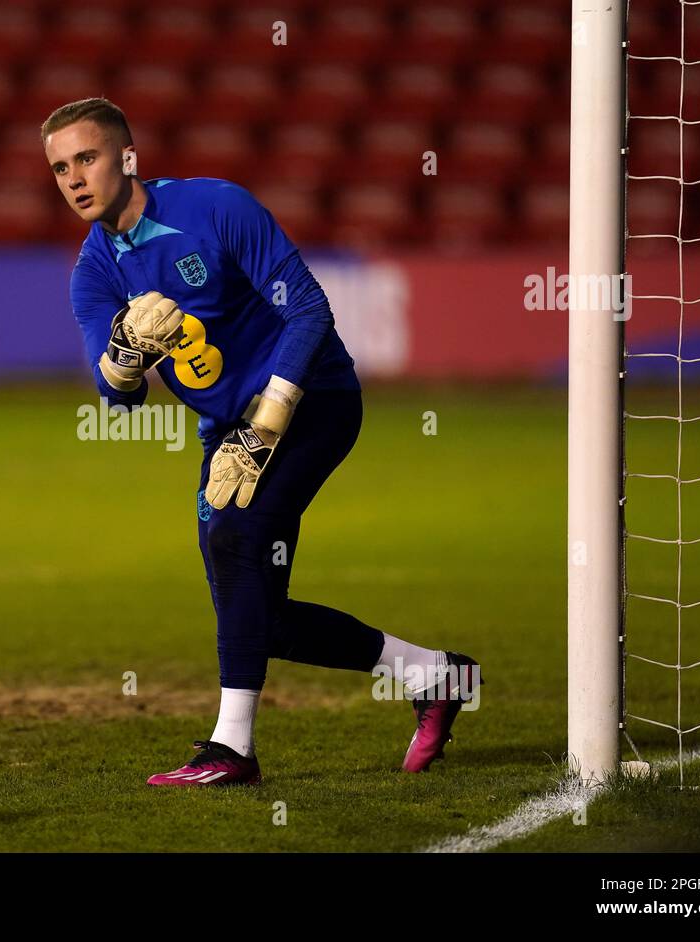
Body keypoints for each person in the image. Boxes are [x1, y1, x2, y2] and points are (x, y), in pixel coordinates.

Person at [41, 97, 481, 785]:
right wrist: (125, 354)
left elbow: (310, 310)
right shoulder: (93, 274)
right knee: (259, 618)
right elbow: (116, 398)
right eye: (61, 167)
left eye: (87, 158)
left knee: (236, 538)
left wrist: (264, 424)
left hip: (315, 400)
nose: (73, 178)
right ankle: (434, 675)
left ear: (128, 158)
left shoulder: (216, 208)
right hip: (227, 428)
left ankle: (232, 750)